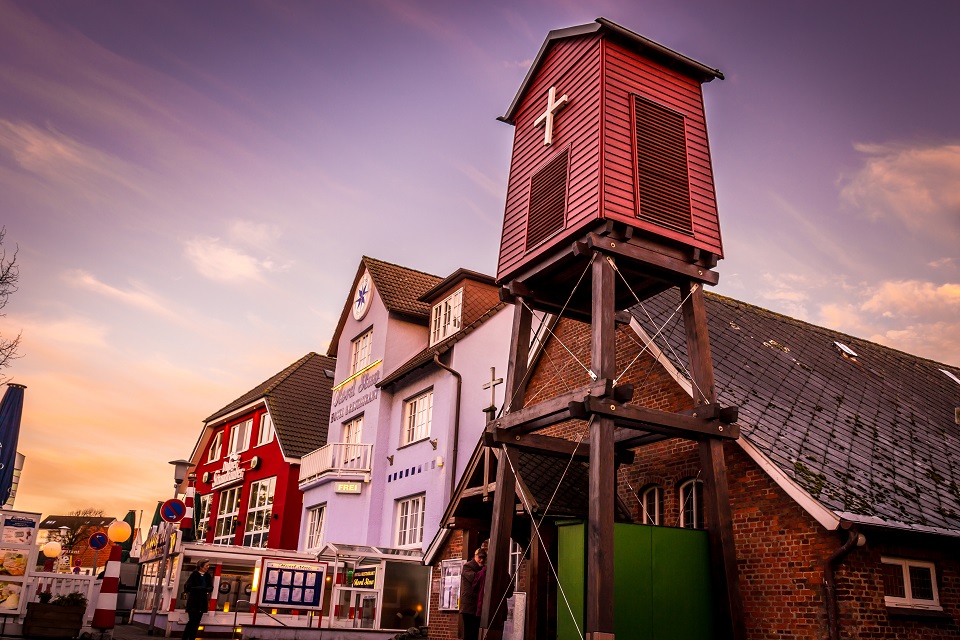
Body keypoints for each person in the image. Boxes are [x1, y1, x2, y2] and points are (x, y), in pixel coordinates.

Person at [181, 559, 213, 640]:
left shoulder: (208, 576)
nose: (208, 567)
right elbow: (188, 587)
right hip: (193, 601)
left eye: (208, 566)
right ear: (201, 566)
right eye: (206, 566)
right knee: (192, 621)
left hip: (202, 602)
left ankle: (191, 637)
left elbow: (210, 587)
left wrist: (205, 589)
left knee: (197, 622)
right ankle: (186, 637)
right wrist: (202, 589)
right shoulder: (194, 575)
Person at [458, 547, 486, 640]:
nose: (481, 560)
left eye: (483, 558)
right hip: (469, 607)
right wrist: (484, 571)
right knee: (469, 633)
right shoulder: (468, 566)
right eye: (480, 557)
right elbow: (475, 579)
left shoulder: (481, 568)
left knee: (474, 633)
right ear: (475, 556)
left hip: (476, 607)